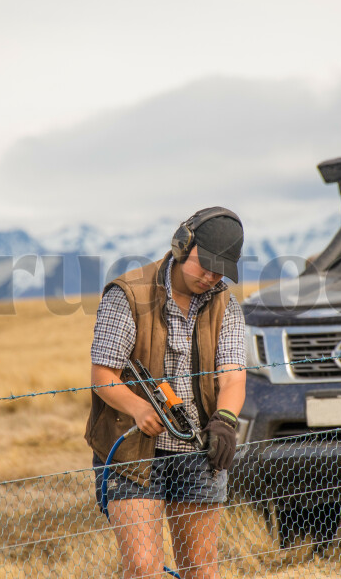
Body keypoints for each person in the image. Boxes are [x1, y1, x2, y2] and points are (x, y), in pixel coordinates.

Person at [86, 207, 246, 579]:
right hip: (131, 452)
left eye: (220, 270)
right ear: (181, 245)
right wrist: (137, 407)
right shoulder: (127, 295)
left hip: (198, 451)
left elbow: (233, 376)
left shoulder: (227, 306)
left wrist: (224, 420)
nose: (211, 277)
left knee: (201, 569)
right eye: (203, 264)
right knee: (144, 568)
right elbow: (102, 373)